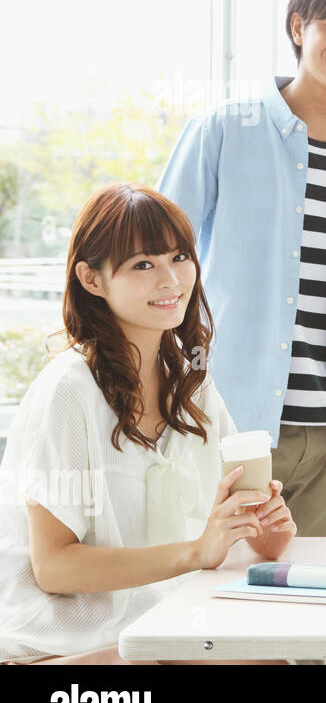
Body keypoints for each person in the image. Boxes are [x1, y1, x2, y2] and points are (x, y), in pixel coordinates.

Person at [158, 0, 326, 537]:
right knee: (222, 593)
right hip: (230, 420)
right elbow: (158, 252)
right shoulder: (223, 130)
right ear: (299, 27)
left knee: (325, 599)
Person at [0, 184, 296, 664]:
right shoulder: (70, 389)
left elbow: (224, 528)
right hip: (61, 643)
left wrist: (264, 533)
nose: (171, 280)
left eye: (179, 256)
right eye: (142, 264)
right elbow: (54, 567)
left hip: (159, 624)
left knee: (275, 657)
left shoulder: (192, 386)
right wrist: (198, 551)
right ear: (91, 279)